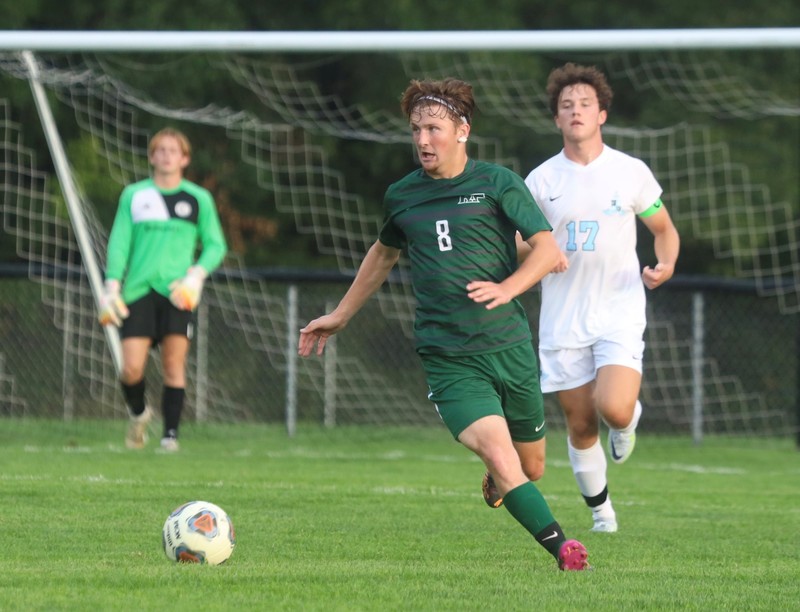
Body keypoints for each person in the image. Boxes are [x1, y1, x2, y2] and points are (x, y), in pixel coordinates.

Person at [298, 78, 590, 571]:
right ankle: (564, 548)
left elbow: (546, 249)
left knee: (531, 466)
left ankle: (502, 479)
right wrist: (341, 314)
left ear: (462, 131)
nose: (422, 139)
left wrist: (507, 288)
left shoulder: (498, 183)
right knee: (502, 456)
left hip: (509, 346)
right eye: (416, 129)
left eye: (433, 128)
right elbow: (383, 253)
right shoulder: (403, 195)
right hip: (448, 355)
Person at [515, 63, 680, 532]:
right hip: (563, 317)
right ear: (556, 119)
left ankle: (628, 421)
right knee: (582, 423)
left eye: (585, 103)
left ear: (602, 114)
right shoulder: (541, 181)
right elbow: (519, 244)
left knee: (614, 408)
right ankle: (601, 513)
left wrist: (666, 264)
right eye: (566, 105)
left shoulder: (630, 172)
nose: (576, 110)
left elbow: (664, 229)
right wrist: (543, 251)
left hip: (618, 309)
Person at [98, 127, 227, 452]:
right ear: (152, 156)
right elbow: (119, 242)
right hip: (138, 291)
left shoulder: (198, 198)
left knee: (173, 365)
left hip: (177, 293)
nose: (167, 155)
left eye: (173, 151)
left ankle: (170, 436)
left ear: (184, 158)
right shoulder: (134, 195)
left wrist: (195, 276)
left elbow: (216, 245)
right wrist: (112, 284)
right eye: (161, 150)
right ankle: (139, 414)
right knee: (131, 369)